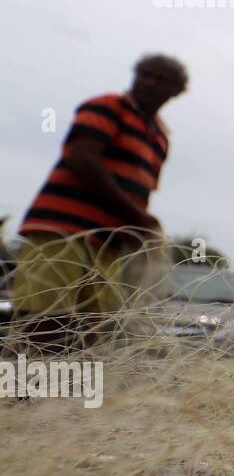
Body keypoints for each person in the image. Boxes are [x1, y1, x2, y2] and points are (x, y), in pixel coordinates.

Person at [9, 54, 188, 352]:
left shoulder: (160, 138)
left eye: (159, 79)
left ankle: (67, 396)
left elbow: (139, 191)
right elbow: (82, 158)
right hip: (63, 229)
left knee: (95, 326)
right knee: (46, 318)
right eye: (144, 74)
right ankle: (24, 392)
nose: (147, 82)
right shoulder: (108, 107)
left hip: (107, 243)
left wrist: (141, 221)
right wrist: (134, 215)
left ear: (175, 91)